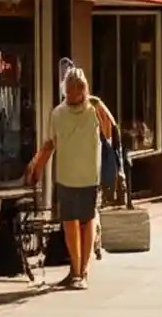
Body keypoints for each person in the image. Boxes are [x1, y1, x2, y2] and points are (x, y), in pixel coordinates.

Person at [25, 67, 115, 289]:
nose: (73, 95)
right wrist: (36, 166)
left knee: (84, 221)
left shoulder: (93, 109)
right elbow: (50, 145)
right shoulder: (59, 113)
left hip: (87, 176)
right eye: (70, 90)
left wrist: (100, 105)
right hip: (68, 176)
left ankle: (81, 271)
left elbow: (110, 131)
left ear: (83, 89)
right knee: (73, 223)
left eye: (77, 90)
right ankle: (76, 270)